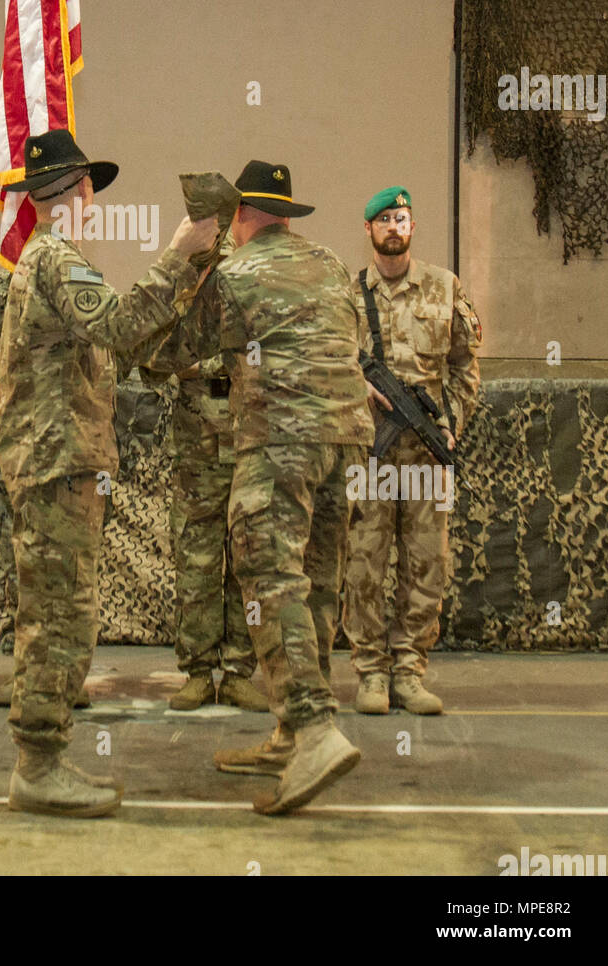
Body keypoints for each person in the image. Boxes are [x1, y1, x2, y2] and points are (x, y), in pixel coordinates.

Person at [0, 128, 217, 817]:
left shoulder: (47, 259)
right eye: (93, 190)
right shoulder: (59, 261)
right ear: (82, 190)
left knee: (59, 612)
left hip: (60, 461)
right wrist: (179, 256)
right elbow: (119, 326)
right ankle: (37, 764)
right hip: (57, 462)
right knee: (59, 617)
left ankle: (44, 756)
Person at [174, 161, 373, 814]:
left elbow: (177, 348)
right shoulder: (332, 265)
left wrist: (185, 263)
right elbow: (352, 346)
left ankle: (313, 726)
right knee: (316, 578)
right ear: (286, 215)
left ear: (237, 216)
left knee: (267, 571)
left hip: (279, 437)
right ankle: (291, 734)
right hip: (343, 438)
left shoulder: (236, 272)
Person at [343, 186, 482, 716]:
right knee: (363, 564)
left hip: (425, 454)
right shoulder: (349, 295)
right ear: (369, 230)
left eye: (402, 218)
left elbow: (466, 366)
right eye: (384, 220)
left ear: (413, 226)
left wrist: (451, 426)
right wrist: (363, 393)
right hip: (370, 454)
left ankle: (408, 670)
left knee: (428, 563)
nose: (394, 227)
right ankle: (371, 674)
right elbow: (331, 363)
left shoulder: (445, 288)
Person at [140, 237, 268, 714]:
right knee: (195, 563)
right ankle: (196, 672)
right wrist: (202, 364)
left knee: (247, 564)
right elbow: (152, 360)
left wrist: (201, 364)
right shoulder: (182, 297)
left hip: (250, 445)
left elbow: (261, 357)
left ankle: (239, 672)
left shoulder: (256, 295)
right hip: (196, 454)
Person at [0, 267, 89, 712]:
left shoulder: (78, 273)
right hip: (18, 439)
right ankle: (25, 670)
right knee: (20, 561)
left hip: (64, 438)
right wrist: (13, 271)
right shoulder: (5, 275)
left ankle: (63, 674)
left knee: (67, 566)